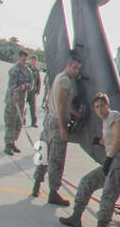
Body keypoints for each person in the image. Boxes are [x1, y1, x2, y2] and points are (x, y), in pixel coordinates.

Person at [59, 92, 120, 227]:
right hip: (114, 159)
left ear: (108, 106)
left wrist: (108, 159)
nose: (99, 109)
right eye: (96, 107)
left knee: (109, 193)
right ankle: (76, 217)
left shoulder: (113, 116)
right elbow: (111, 138)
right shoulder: (106, 121)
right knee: (87, 181)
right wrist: (99, 141)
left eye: (102, 105)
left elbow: (119, 137)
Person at [31, 53, 82, 205]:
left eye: (78, 69)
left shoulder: (59, 77)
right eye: (75, 68)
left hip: (49, 119)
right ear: (69, 65)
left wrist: (75, 112)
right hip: (56, 121)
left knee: (43, 154)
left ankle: (36, 185)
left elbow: (60, 102)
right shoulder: (65, 81)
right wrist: (62, 128)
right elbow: (60, 105)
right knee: (56, 159)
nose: (76, 71)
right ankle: (53, 192)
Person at [3, 50, 29, 154]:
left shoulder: (28, 71)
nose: (25, 61)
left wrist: (25, 86)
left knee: (18, 123)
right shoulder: (14, 70)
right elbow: (12, 85)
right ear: (19, 58)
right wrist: (16, 91)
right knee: (10, 122)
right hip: (13, 101)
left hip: (22, 102)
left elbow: (31, 85)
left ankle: (13, 142)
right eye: (23, 59)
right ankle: (7, 144)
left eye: (26, 59)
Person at [26, 55, 41, 126]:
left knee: (33, 107)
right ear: (30, 60)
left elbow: (39, 81)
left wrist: (38, 90)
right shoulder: (26, 68)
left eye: (35, 61)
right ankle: (22, 119)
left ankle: (34, 122)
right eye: (32, 60)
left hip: (32, 92)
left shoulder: (36, 70)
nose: (33, 62)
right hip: (26, 91)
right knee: (23, 106)